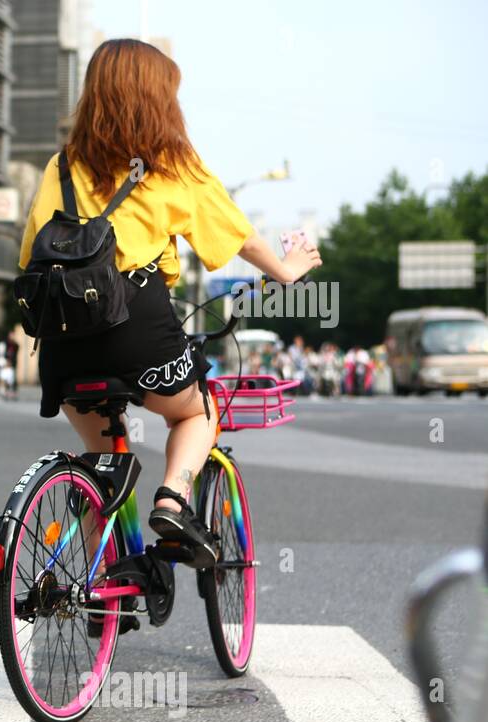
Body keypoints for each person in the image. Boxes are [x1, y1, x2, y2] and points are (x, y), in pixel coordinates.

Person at [18, 39, 320, 565]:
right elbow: (238, 237)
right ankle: (173, 499)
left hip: (64, 340)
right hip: (137, 327)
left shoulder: (61, 167)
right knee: (197, 412)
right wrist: (287, 270)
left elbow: (30, 255)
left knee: (100, 463)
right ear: (158, 99)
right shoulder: (172, 165)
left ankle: (93, 590)